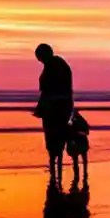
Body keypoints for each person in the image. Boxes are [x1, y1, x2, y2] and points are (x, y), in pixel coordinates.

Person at [34, 43, 74, 184]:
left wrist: (41, 107)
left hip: (54, 107)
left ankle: (54, 166)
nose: (40, 60)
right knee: (58, 136)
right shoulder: (60, 65)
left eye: (39, 57)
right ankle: (56, 165)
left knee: (53, 136)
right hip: (61, 106)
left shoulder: (53, 67)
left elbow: (48, 90)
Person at [66, 109, 90, 187]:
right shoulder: (75, 121)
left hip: (80, 142)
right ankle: (81, 174)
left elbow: (86, 131)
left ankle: (81, 174)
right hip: (79, 142)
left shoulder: (76, 121)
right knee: (79, 160)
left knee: (80, 160)